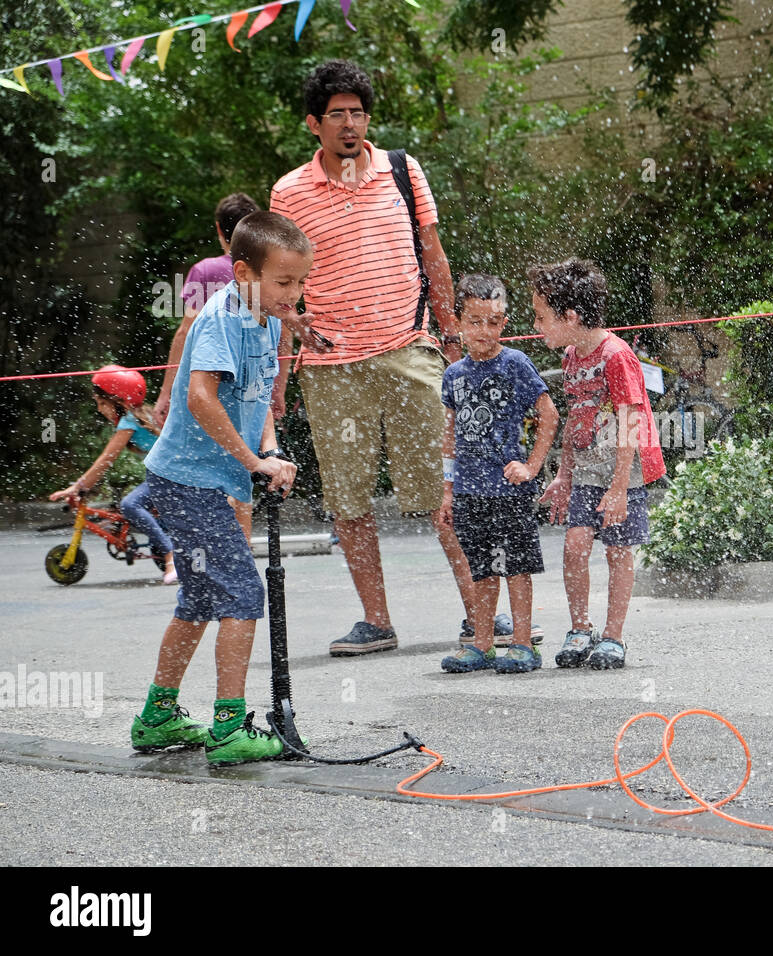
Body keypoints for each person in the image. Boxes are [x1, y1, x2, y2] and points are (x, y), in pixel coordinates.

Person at [270, 59, 512, 658]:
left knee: (447, 490)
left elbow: (434, 255)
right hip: (331, 369)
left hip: (411, 352)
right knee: (349, 501)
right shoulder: (289, 190)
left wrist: (452, 337)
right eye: (336, 115)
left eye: (357, 112)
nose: (349, 124)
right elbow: (282, 280)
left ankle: (479, 614)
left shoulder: (402, 171)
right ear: (314, 124)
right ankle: (376, 622)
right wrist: (285, 345)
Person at [129, 211, 307, 765]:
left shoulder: (270, 317)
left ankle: (157, 716)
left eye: (301, 282)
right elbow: (200, 398)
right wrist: (252, 460)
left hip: (202, 480)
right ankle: (229, 729)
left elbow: (259, 398)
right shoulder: (222, 317)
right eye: (283, 282)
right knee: (242, 595)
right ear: (243, 272)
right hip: (187, 479)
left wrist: (270, 451)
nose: (294, 294)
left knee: (201, 598)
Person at [533, 258, 666, 671]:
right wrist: (563, 475)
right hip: (588, 466)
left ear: (570, 316)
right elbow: (576, 416)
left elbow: (631, 419)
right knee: (574, 545)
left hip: (623, 470)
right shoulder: (573, 355)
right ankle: (579, 628)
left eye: (541, 317)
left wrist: (620, 487)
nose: (536, 326)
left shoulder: (616, 355)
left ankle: (613, 637)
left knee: (617, 550)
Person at [438, 275, 559, 674]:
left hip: (509, 491)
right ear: (458, 323)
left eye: (492, 322)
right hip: (470, 492)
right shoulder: (453, 374)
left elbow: (549, 416)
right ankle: (482, 644)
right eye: (474, 321)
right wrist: (447, 491)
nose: (484, 331)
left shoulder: (516, 364)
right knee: (483, 570)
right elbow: (451, 434)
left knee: (517, 568)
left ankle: (523, 644)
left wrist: (532, 467)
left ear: (504, 323)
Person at [49, 365, 177, 584]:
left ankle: (170, 556)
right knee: (135, 506)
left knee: (130, 505)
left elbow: (105, 460)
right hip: (167, 473)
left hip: (170, 475)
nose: (99, 409)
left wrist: (78, 487)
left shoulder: (129, 422)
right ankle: (168, 544)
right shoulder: (142, 416)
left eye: (102, 403)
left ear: (118, 401)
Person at [156, 193, 262, 426]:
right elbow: (282, 334)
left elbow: (186, 332)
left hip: (211, 383)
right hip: (255, 383)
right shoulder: (269, 273)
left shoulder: (205, 271)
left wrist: (167, 393)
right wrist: (278, 390)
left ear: (218, 228)